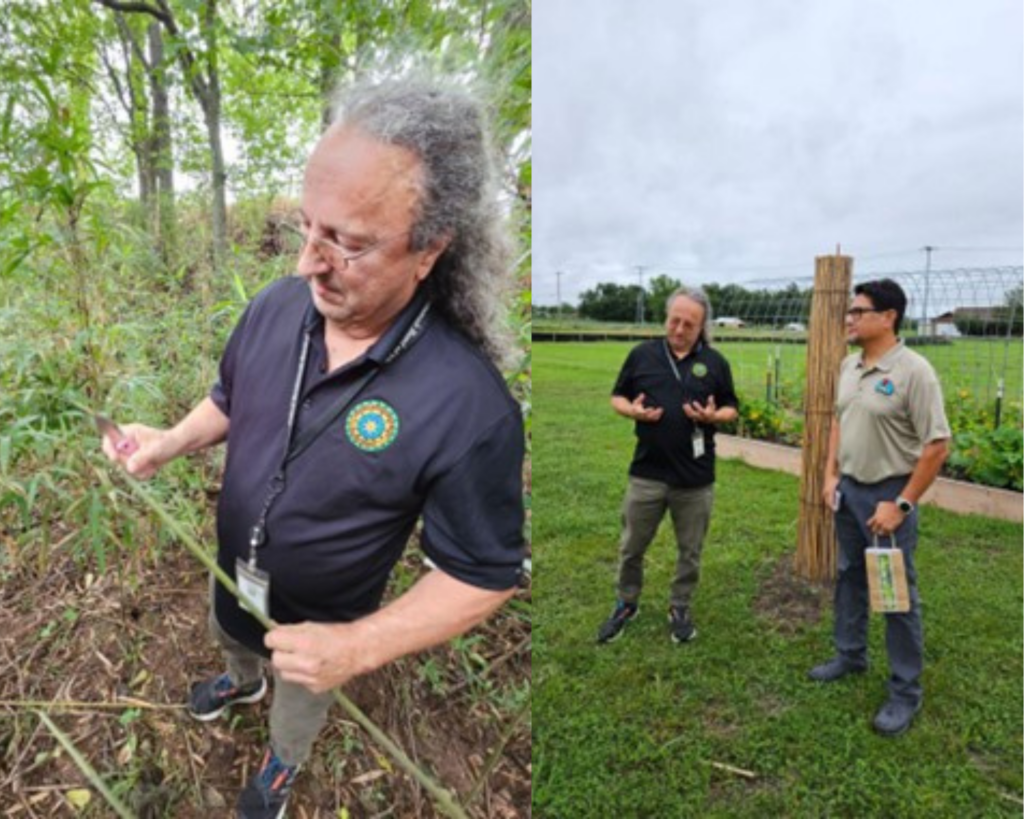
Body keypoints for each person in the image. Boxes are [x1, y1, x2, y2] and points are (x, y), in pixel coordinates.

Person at [102, 76, 526, 818]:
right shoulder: (276, 305)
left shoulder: (469, 405)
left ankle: (281, 758)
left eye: (348, 243)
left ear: (430, 249)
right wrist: (169, 441)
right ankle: (241, 677)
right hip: (234, 570)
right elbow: (232, 397)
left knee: (300, 701)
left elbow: (482, 573)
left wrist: (357, 647)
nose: (308, 264)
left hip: (323, 624)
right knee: (232, 633)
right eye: (307, 228)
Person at [808, 278, 950, 737]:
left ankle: (904, 691)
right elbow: (838, 422)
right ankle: (850, 655)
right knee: (849, 575)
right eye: (850, 312)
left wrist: (902, 504)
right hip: (849, 492)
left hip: (889, 497)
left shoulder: (914, 372)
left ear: (888, 317)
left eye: (858, 311)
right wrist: (831, 475)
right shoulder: (849, 367)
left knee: (893, 594)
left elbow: (936, 446)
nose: (849, 318)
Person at [596, 286, 738, 645]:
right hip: (647, 473)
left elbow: (731, 408)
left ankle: (680, 606)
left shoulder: (716, 362)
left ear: (701, 327)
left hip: (695, 479)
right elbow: (617, 396)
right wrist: (633, 410)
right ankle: (627, 602)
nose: (679, 329)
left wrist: (711, 416)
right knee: (631, 547)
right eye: (674, 320)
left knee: (689, 551)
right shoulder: (642, 355)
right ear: (666, 317)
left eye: (689, 324)